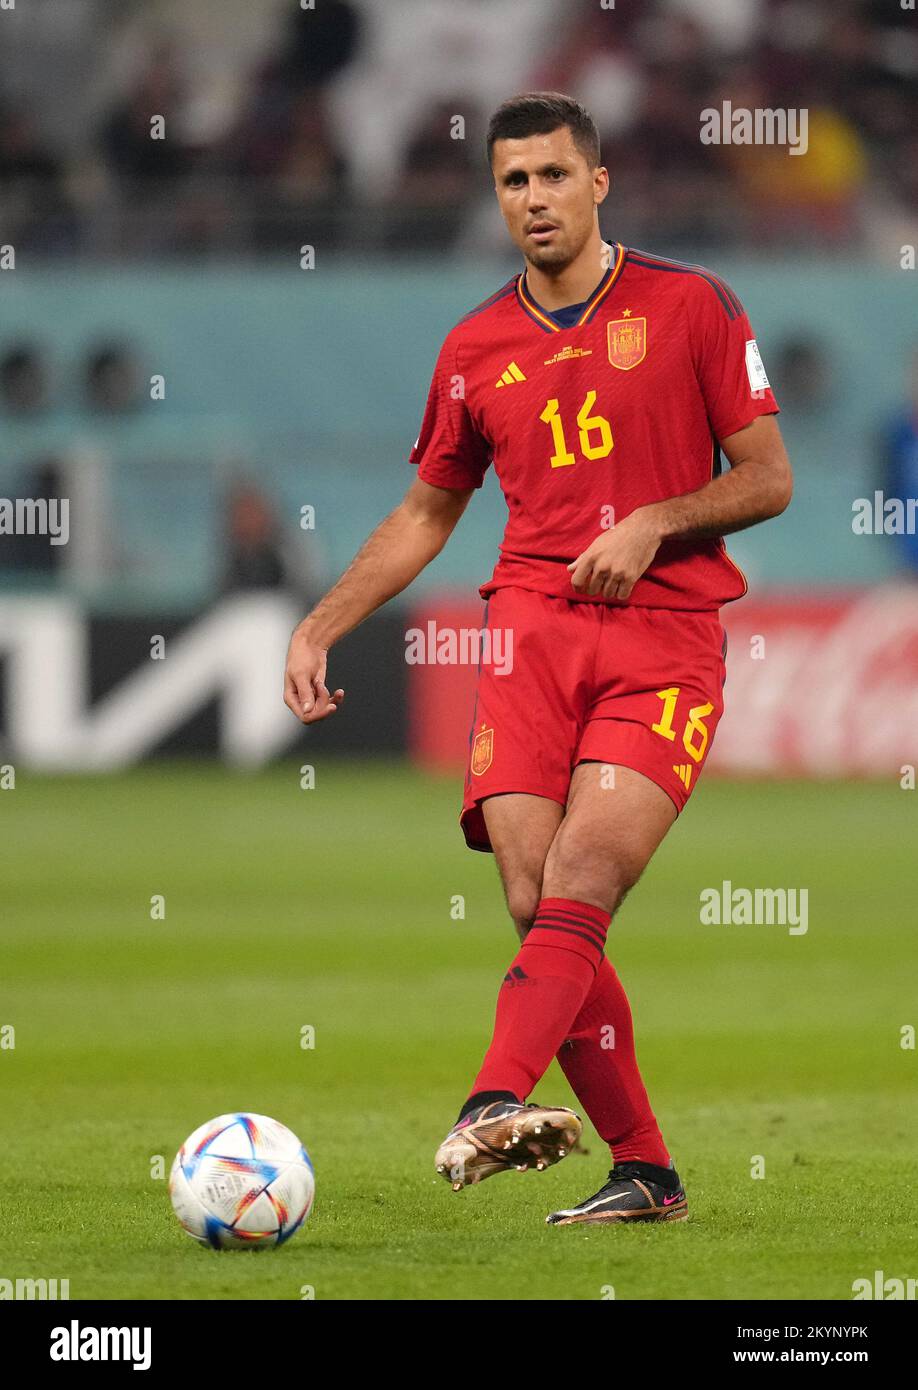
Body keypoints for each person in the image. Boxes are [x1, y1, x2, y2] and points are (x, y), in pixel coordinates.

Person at [283, 92, 792, 1226]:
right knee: (530, 895)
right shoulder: (474, 348)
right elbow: (427, 511)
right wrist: (322, 621)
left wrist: (655, 518)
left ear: (599, 182)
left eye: (554, 176)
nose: (534, 200)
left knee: (583, 880)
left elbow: (768, 476)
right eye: (514, 182)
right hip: (526, 631)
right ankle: (648, 1172)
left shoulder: (691, 304)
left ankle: (491, 1098)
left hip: (663, 636)